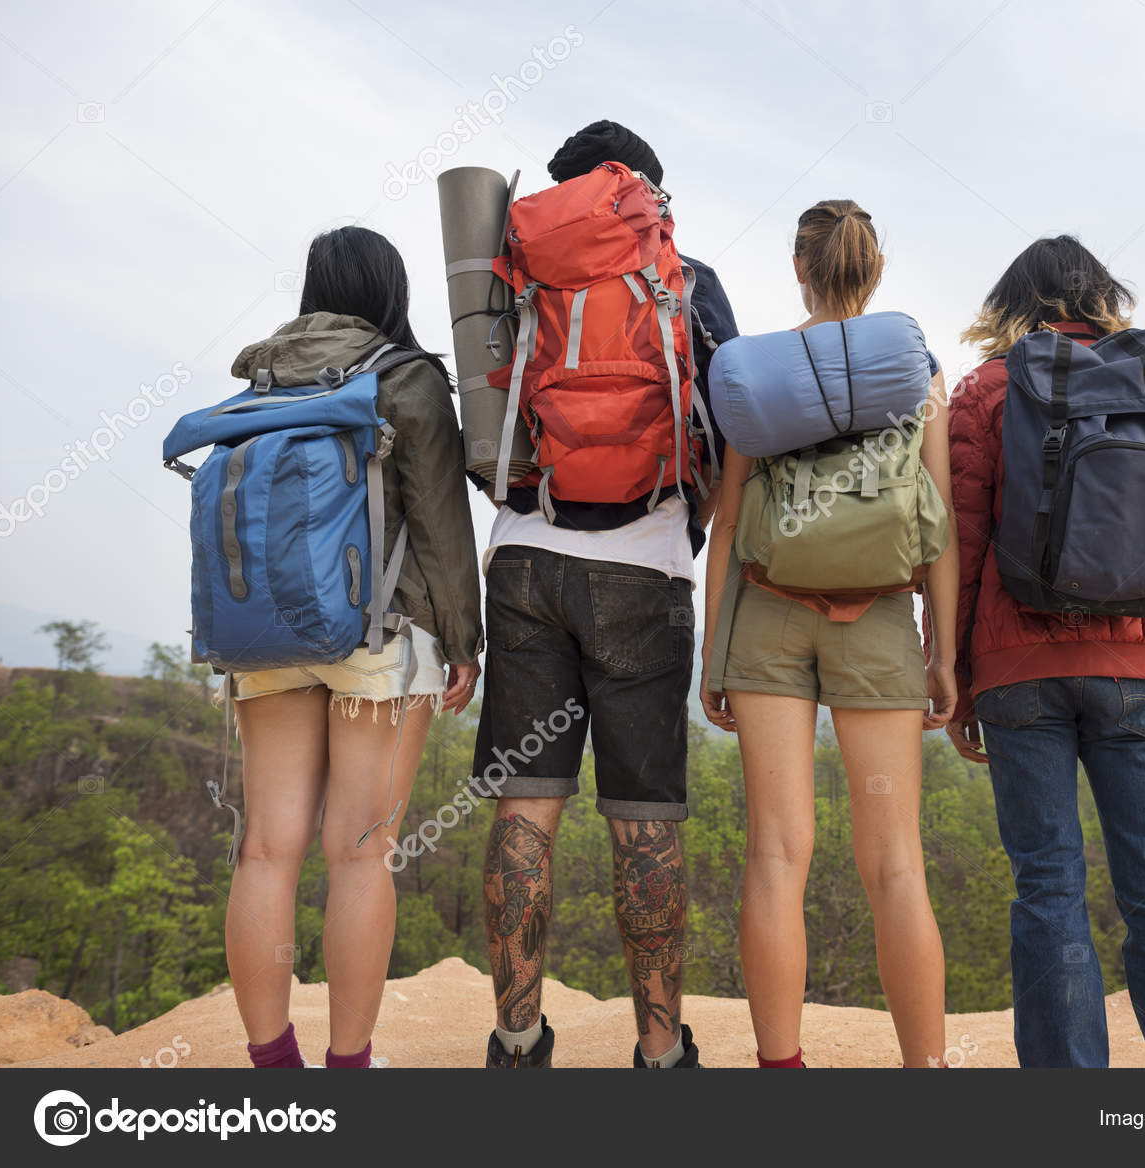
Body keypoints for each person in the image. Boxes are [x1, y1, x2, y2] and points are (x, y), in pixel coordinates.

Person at [474, 121, 738, 1070]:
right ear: (648, 197)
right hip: (647, 566)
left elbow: (483, 419)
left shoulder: (517, 275)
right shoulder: (686, 279)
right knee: (645, 821)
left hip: (526, 561)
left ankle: (515, 1041)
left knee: (522, 812)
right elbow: (734, 420)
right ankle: (660, 1054)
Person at [942, 234, 1145, 1068]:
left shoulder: (987, 391)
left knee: (1049, 889)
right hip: (1142, 669)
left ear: (1012, 304)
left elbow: (955, 551)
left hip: (1020, 672)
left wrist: (958, 683)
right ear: (1104, 297)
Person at [700, 200, 957, 1068]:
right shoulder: (918, 374)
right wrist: (942, 653)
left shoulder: (756, 378)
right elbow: (941, 525)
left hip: (769, 616)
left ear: (799, 269)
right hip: (881, 620)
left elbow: (729, 524)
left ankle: (782, 1072)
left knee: (777, 854)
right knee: (895, 865)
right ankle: (924, 1074)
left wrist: (715, 652)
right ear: (873, 271)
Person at [225, 225, 483, 1069]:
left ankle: (273, 1067)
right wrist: (464, 642)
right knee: (362, 851)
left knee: (267, 847)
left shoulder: (261, 373)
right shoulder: (404, 377)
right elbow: (441, 524)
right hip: (380, 632)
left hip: (265, 633)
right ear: (389, 293)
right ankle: (347, 1071)